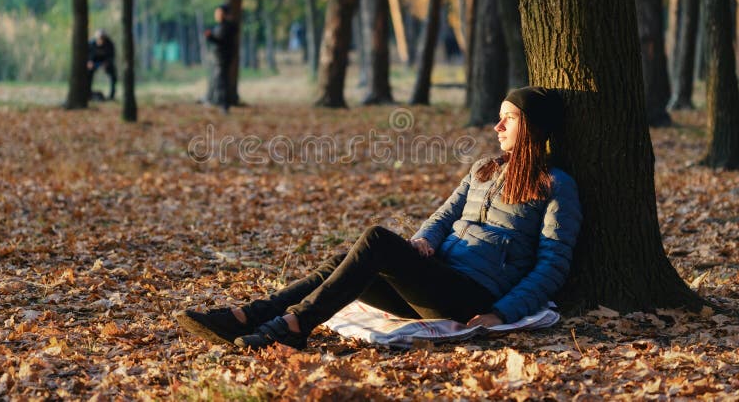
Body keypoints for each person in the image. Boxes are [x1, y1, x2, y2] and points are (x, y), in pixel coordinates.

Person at [176, 86, 582, 350]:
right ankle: (250, 316)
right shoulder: (484, 169)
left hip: (471, 294)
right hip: (433, 279)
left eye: (509, 118)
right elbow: (444, 216)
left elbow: (552, 265)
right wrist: (424, 240)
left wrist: (502, 313)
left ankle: (296, 325)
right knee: (344, 261)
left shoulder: (556, 185)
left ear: (532, 126)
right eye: (499, 116)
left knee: (375, 240)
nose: (497, 126)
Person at [204, 4, 237, 113]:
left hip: (223, 58)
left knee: (222, 82)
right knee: (219, 81)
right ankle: (216, 101)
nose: (216, 15)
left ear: (224, 14)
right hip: (219, 58)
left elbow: (222, 42)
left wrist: (210, 37)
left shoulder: (227, 26)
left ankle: (224, 105)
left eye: (218, 13)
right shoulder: (221, 26)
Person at [87, 29, 117, 101]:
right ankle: (88, 93)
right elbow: (87, 55)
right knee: (88, 73)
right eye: (99, 38)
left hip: (105, 62)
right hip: (94, 62)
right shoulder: (91, 44)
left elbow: (112, 56)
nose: (100, 40)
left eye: (102, 38)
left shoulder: (109, 44)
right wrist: (89, 62)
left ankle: (112, 95)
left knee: (113, 75)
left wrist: (107, 63)